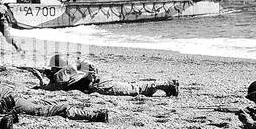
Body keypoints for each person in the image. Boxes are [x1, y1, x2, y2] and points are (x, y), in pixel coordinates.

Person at [32, 53, 179, 98]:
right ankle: (164, 84)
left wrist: (41, 78)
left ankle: (167, 85)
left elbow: (51, 87)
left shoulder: (61, 75)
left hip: (99, 85)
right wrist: (40, 77)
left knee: (133, 89)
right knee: (132, 86)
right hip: (99, 83)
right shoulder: (65, 73)